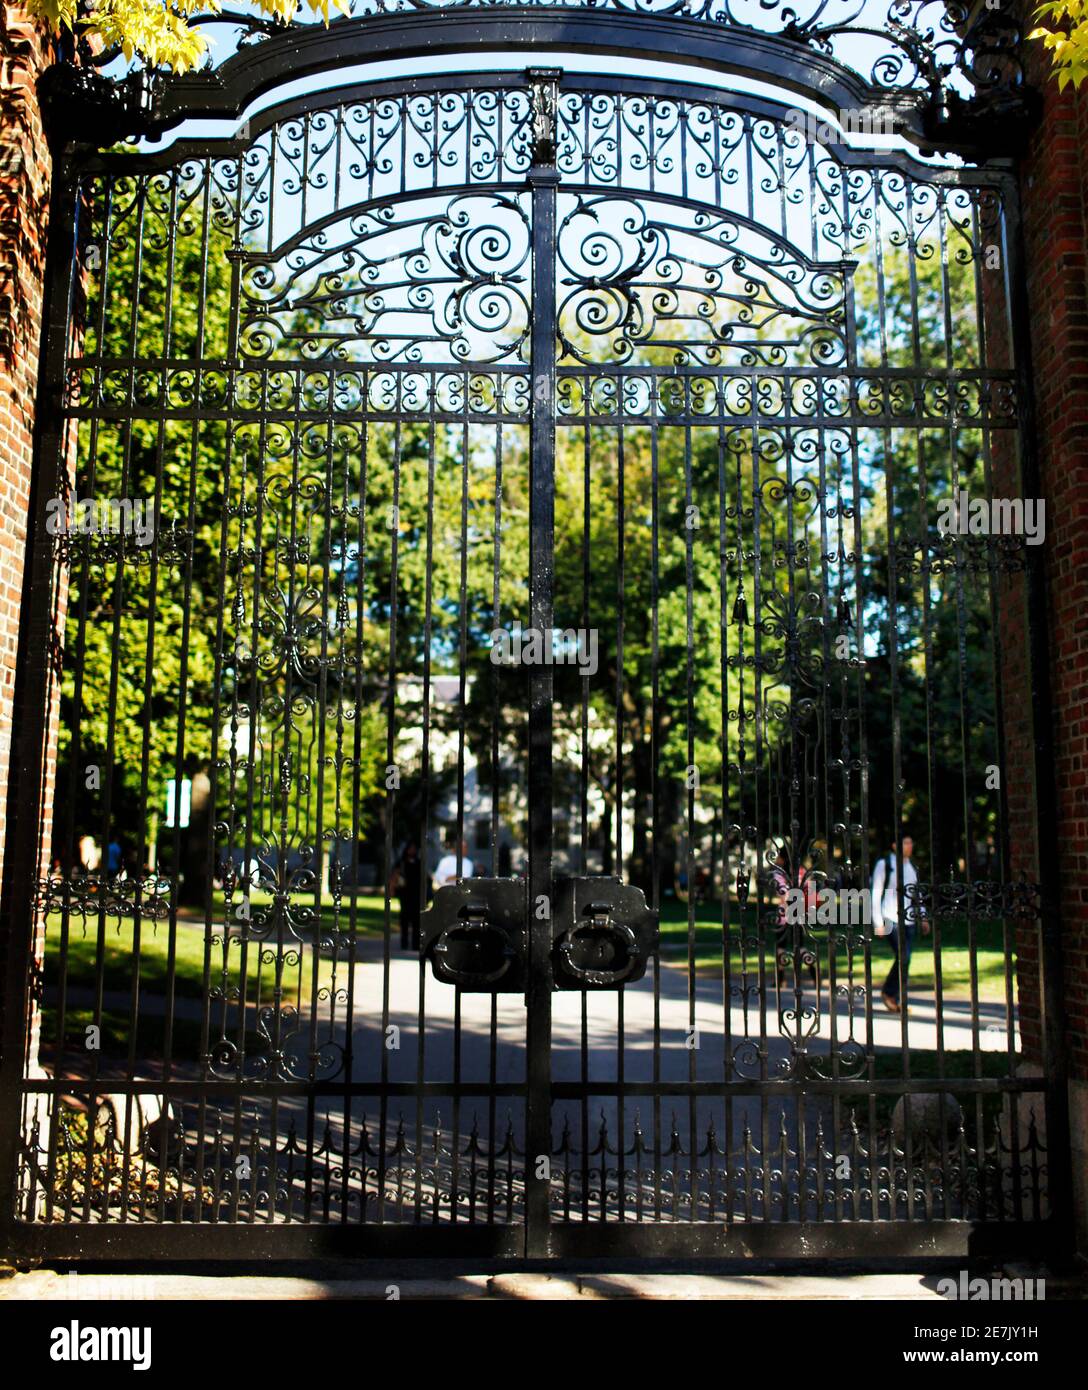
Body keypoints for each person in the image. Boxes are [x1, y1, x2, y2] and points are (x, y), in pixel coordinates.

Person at [871, 834, 929, 1014]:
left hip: (909, 920)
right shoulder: (885, 865)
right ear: (895, 845)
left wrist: (923, 917)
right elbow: (876, 892)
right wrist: (877, 922)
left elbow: (916, 894)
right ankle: (889, 993)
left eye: (911, 842)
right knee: (904, 957)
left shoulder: (912, 867)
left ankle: (896, 997)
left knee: (906, 959)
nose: (909, 846)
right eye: (905, 842)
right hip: (890, 917)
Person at [389, 839, 423, 951]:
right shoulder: (401, 862)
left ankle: (415, 943)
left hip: (416, 894)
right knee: (404, 918)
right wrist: (391, 890)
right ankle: (404, 943)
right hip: (405, 894)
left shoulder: (419, 862)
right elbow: (394, 876)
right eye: (410, 848)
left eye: (414, 848)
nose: (412, 850)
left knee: (416, 920)